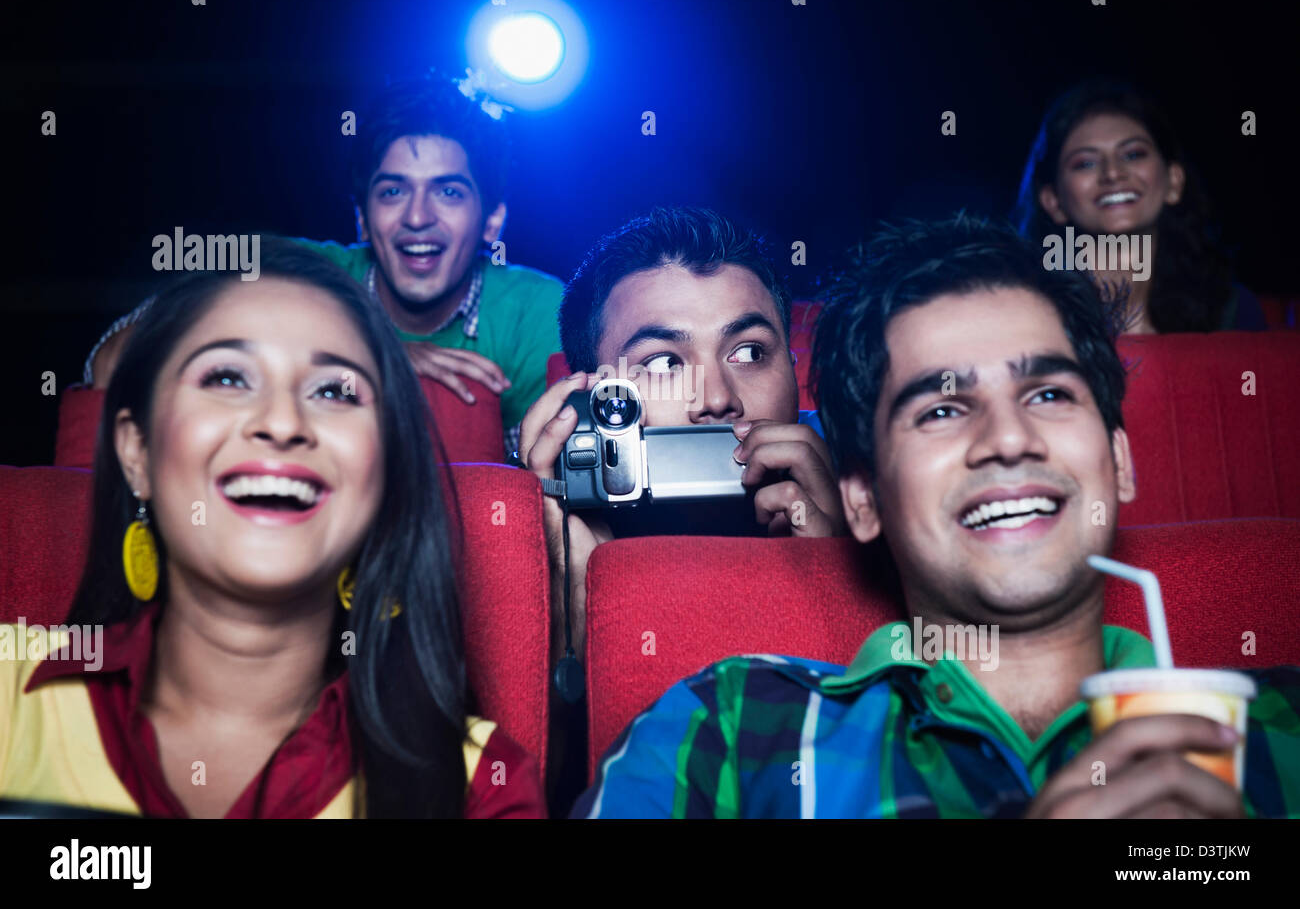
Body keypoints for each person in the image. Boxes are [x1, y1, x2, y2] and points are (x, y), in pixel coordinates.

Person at [572, 215, 1298, 818]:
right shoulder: (725, 729)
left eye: (1047, 395)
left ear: (1120, 459)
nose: (1010, 439)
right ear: (864, 496)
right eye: (943, 409)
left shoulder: (1280, 726)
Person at [1, 241, 544, 818]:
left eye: (334, 390)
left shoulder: (481, 787)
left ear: (388, 476)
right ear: (137, 452)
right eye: (229, 378)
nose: (283, 423)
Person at [83, 74, 564, 457]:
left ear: (491, 221)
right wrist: (374, 352)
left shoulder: (540, 310)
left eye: (448, 192)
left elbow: (556, 466)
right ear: (361, 216)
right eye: (392, 191)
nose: (417, 217)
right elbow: (112, 362)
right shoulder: (300, 273)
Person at [519, 206, 844, 670]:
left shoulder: (889, 509)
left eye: (749, 352)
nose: (716, 399)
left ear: (794, 373)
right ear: (592, 404)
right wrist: (576, 603)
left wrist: (837, 580)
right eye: (664, 363)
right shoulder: (519, 551)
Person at [1013, 79, 1266, 335]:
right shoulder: (1025, 313)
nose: (1112, 173)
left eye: (1133, 155)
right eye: (1085, 163)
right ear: (1052, 200)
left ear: (1174, 182)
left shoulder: (1231, 310)